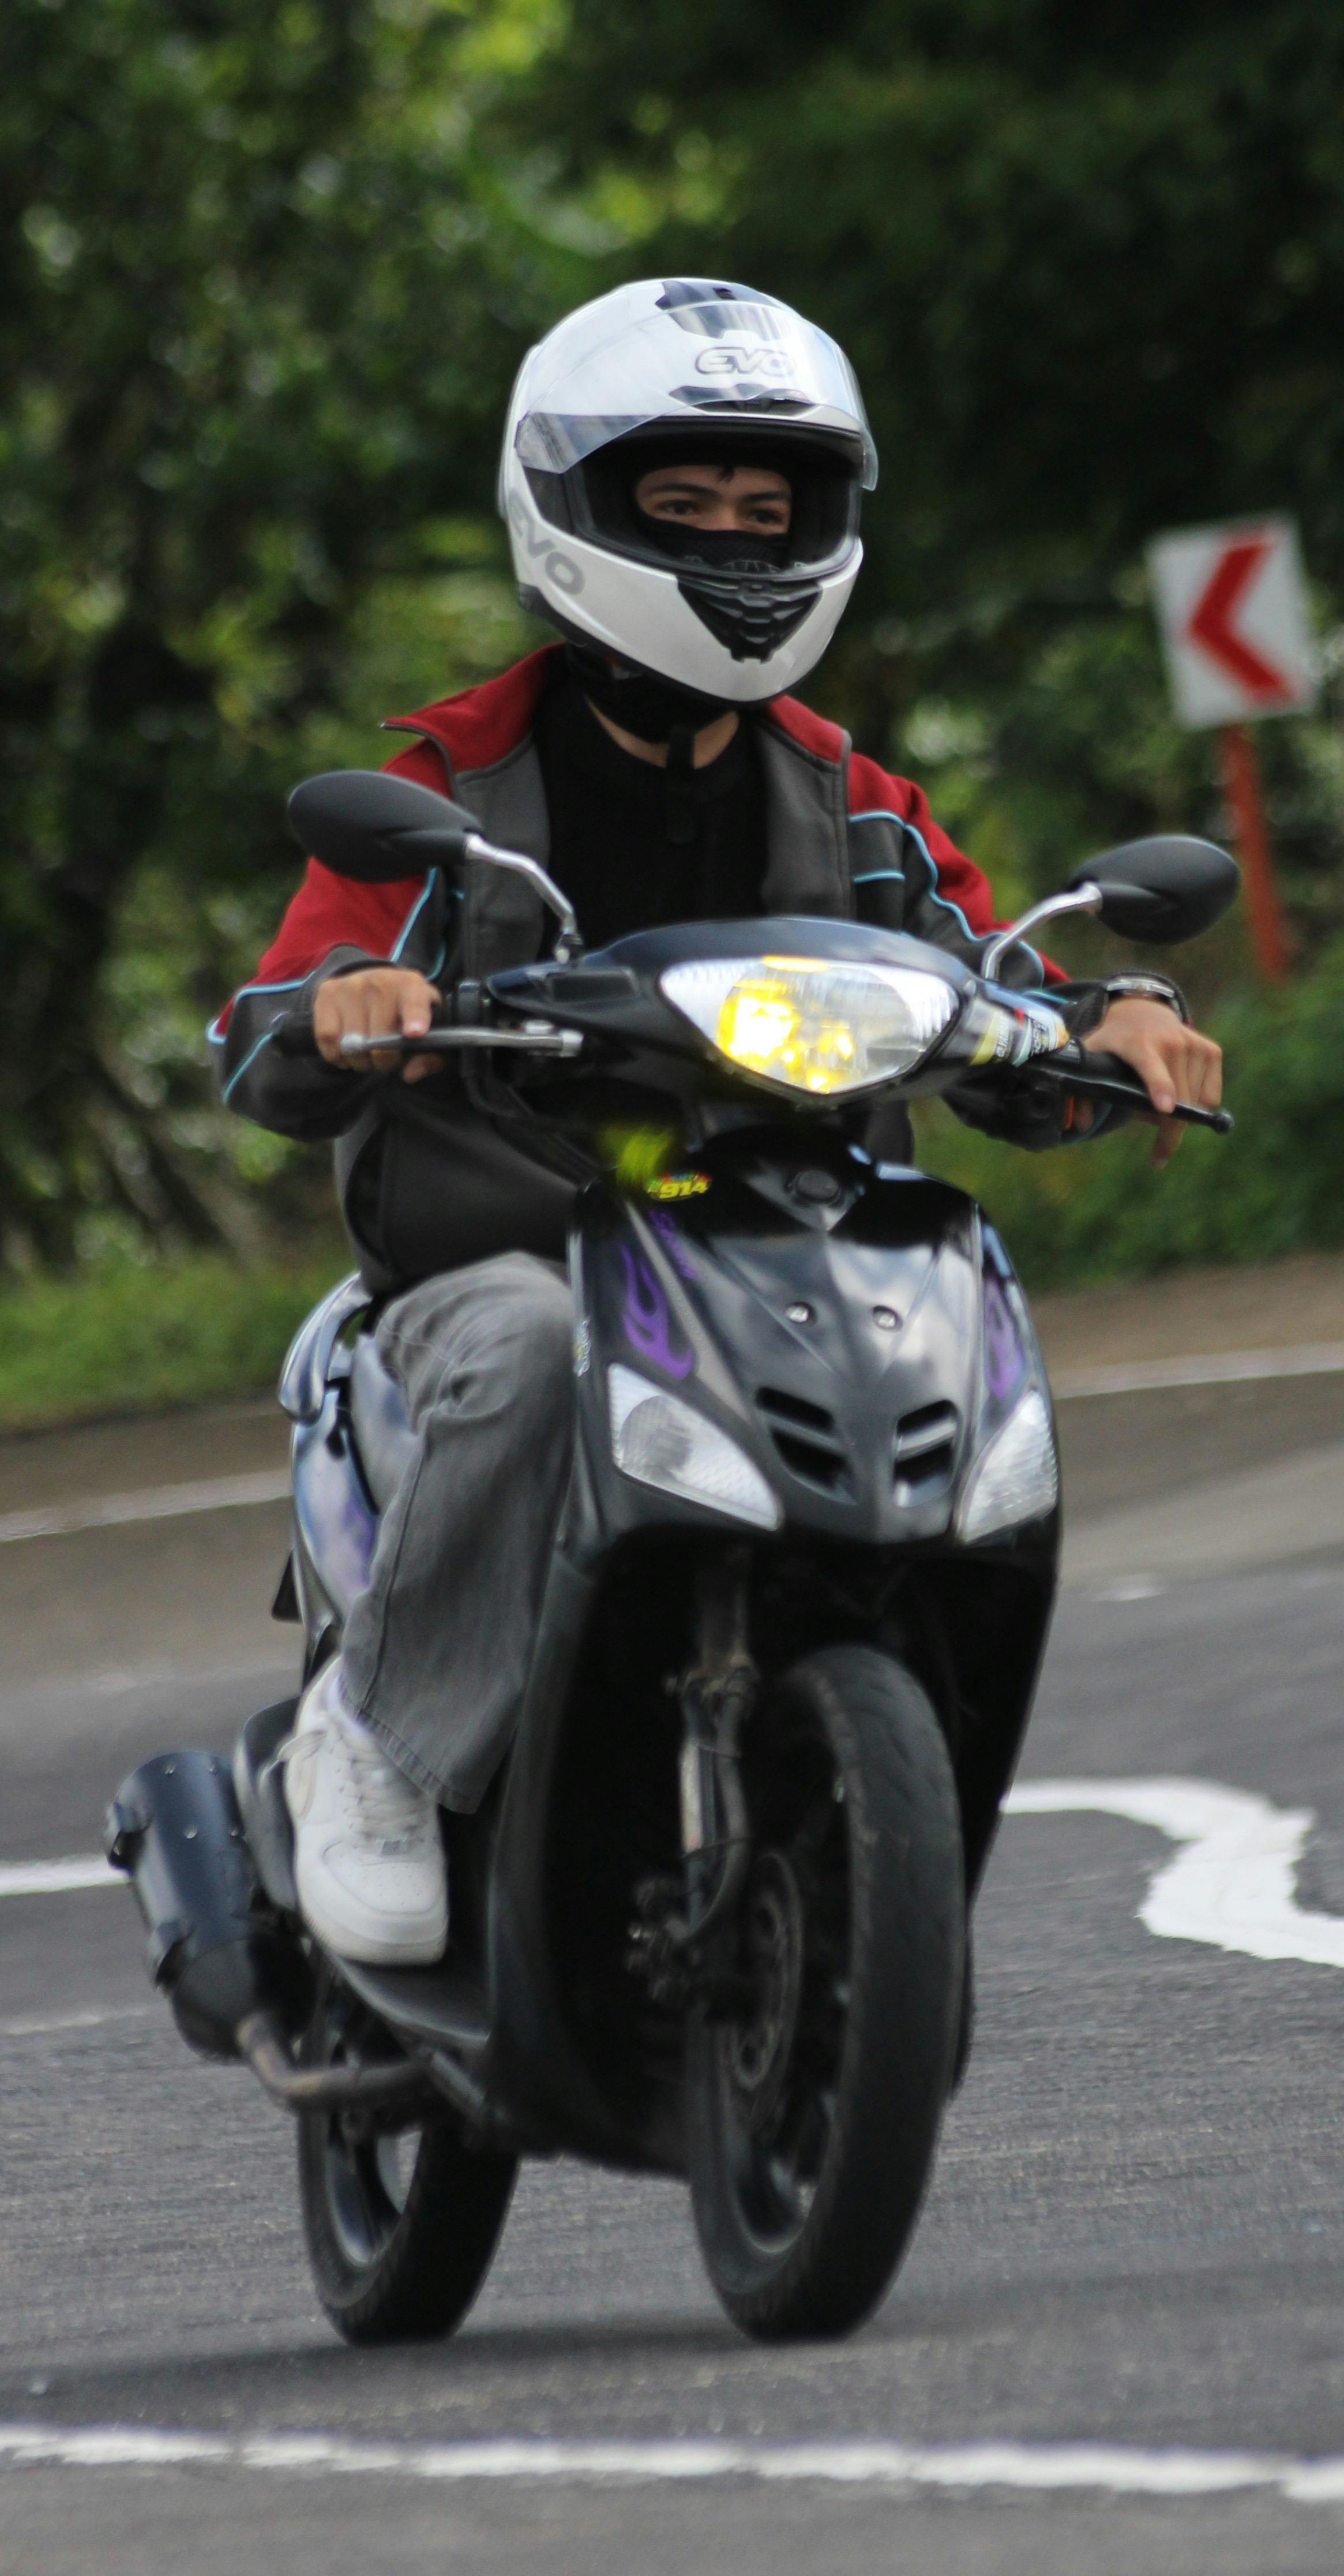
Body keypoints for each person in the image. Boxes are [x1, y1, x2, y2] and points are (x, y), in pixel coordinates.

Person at [215, 278, 1222, 1963]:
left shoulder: (853, 799)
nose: (737, 538)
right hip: (508, 1257)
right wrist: (344, 1010)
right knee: (538, 1350)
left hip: (773, 1255)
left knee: (955, 1301)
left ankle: (874, 1737)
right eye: (685, 505)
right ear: (578, 510)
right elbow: (258, 1042)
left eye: (774, 508)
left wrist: (1120, 1019)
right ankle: (379, 1746)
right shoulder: (446, 800)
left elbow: (989, 983)